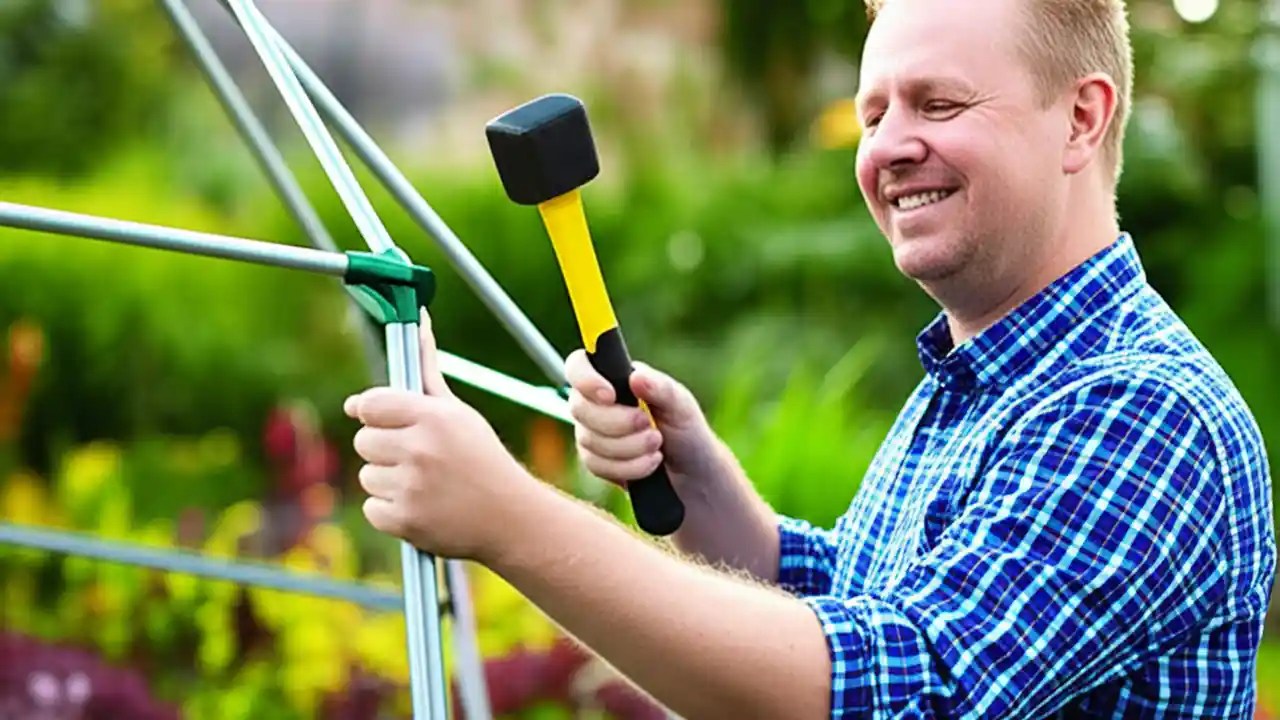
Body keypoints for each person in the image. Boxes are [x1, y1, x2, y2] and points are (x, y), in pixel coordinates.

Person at [341, 0, 1276, 716]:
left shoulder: (1144, 411)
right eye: (873, 113)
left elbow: (909, 689)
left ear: (1080, 120)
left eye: (938, 103)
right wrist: (709, 500)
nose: (889, 148)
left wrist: (507, 517)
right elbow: (867, 611)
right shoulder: (986, 380)